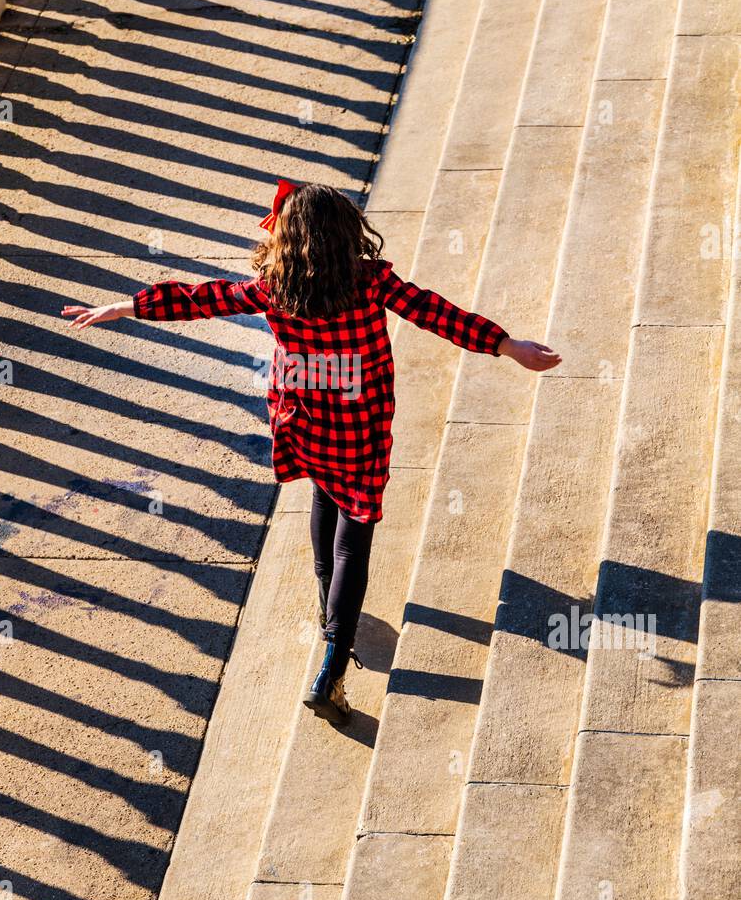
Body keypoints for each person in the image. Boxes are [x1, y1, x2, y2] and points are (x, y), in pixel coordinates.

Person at [62, 179, 561, 726]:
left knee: (324, 495)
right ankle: (332, 665)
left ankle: (328, 609)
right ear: (348, 233)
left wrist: (129, 306)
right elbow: (433, 312)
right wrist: (505, 344)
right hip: (361, 428)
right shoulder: (371, 283)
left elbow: (200, 297)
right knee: (356, 537)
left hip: (303, 422)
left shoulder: (272, 288)